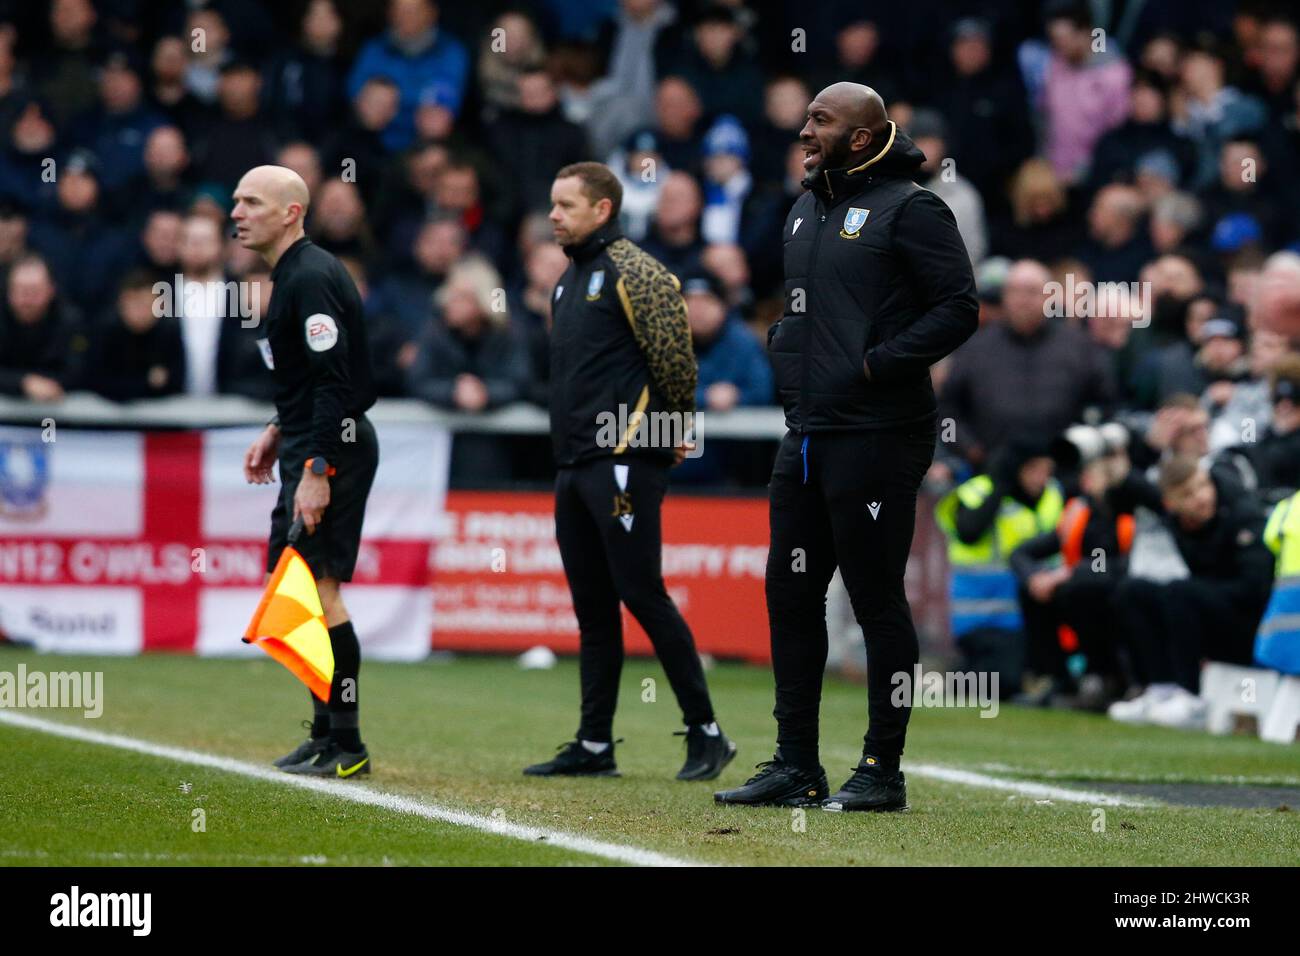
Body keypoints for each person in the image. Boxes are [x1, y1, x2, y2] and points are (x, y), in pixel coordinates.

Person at [714, 83, 978, 812]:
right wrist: (785, 349)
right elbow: (801, 313)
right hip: (806, 433)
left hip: (878, 433)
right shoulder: (804, 210)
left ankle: (881, 771)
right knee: (790, 595)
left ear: (861, 138)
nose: (804, 130)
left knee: (874, 599)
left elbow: (958, 306)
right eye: (806, 117)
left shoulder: (913, 208)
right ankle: (795, 762)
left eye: (820, 120)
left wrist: (876, 365)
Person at [526, 160, 735, 782]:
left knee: (642, 593)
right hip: (575, 462)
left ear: (603, 210)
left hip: (621, 460)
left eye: (566, 206)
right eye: (552, 204)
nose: (554, 216)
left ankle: (707, 733)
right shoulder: (567, 282)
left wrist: (669, 433)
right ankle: (594, 745)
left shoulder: (638, 272)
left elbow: (676, 362)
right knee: (593, 607)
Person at [233, 165, 379, 778]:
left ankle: (348, 744)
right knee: (298, 592)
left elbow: (335, 381)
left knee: (321, 593)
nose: (237, 212)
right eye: (237, 201)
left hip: (332, 447)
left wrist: (317, 466)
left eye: (252, 202)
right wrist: (278, 428)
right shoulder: (292, 274)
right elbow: (307, 380)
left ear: (291, 212)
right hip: (306, 440)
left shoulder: (311, 275)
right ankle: (323, 734)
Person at [1109, 455, 1274, 729]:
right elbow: (1123, 496)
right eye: (1188, 494)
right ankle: (1161, 690)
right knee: (1133, 591)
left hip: (1251, 625)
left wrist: (1195, 592)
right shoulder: (1174, 520)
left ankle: (1191, 697)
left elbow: (1254, 589)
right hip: (1204, 611)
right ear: (1170, 504)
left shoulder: (1243, 512)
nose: (1201, 497)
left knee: (1179, 592)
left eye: (1203, 486)